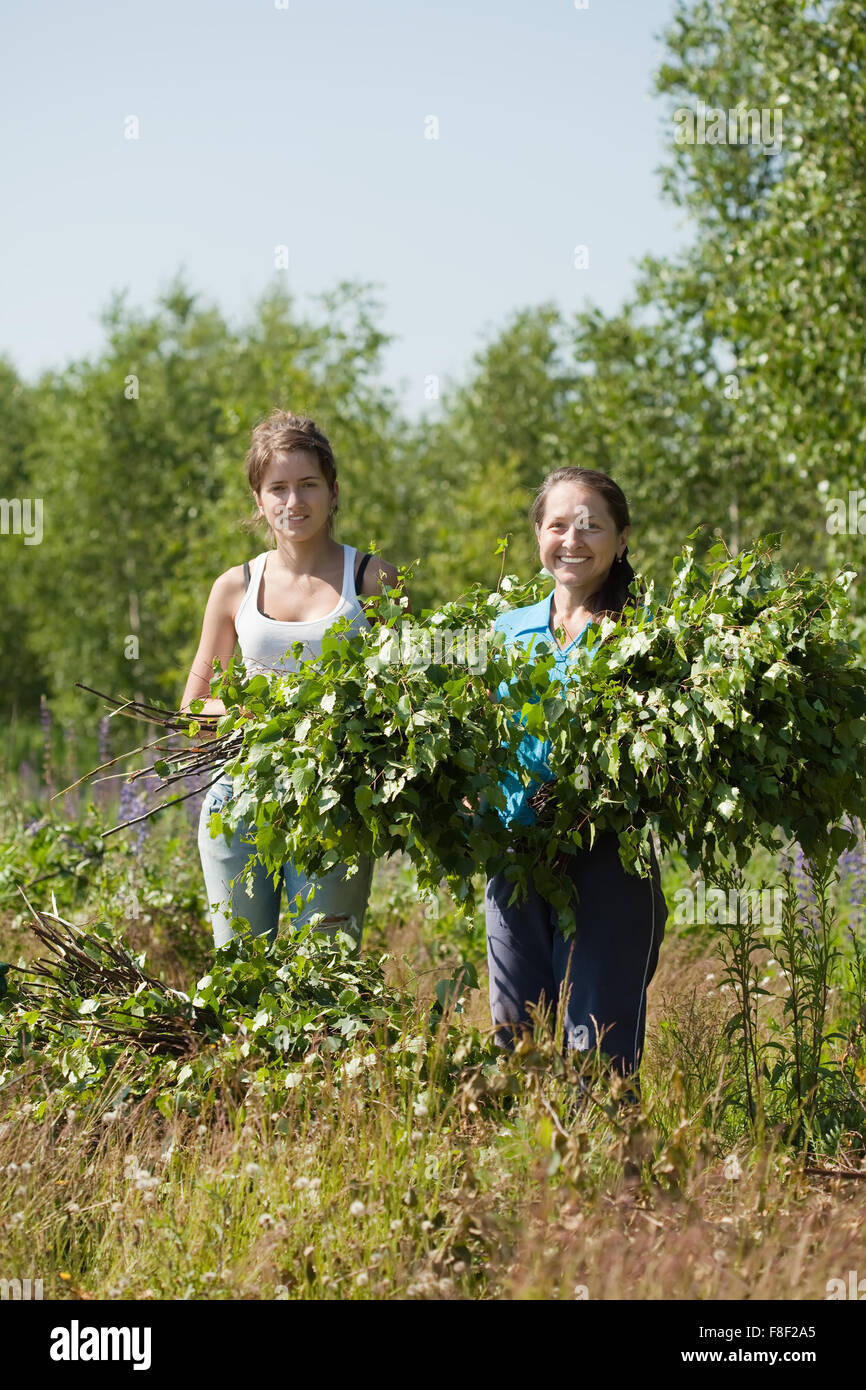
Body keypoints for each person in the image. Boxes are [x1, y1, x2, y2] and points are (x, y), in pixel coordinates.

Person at [180, 409, 400, 951]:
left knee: (324, 978)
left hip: (338, 801)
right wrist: (246, 717)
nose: (293, 502)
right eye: (277, 488)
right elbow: (192, 707)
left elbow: (404, 695)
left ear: (333, 491)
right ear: (259, 500)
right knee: (242, 969)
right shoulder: (234, 586)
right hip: (239, 797)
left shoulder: (372, 579)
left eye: (308, 485)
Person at [484, 466, 668, 1087]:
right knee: (515, 1035)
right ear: (537, 533)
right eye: (557, 524)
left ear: (620, 539)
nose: (573, 540)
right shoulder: (504, 633)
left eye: (591, 526)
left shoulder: (649, 637)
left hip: (609, 860)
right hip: (514, 860)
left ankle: (608, 1173)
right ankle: (530, 1171)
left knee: (598, 1043)